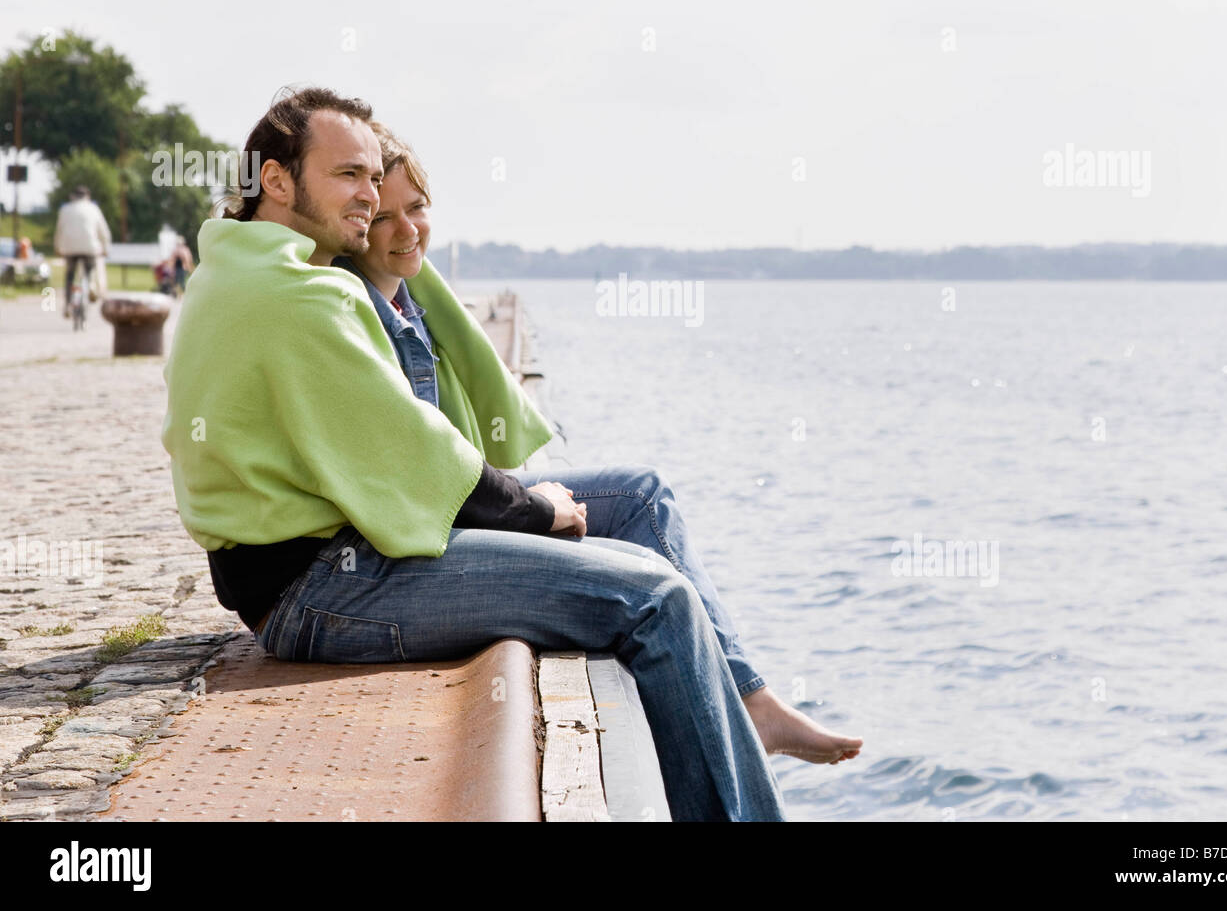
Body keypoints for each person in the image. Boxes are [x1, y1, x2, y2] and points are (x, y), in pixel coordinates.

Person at [161, 89, 823, 821]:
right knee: (656, 599)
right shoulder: (297, 296)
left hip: (313, 568)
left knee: (642, 530)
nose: (369, 195)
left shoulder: (241, 270)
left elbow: (398, 451)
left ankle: (745, 716)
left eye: (374, 178)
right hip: (321, 589)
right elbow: (418, 459)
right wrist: (537, 510)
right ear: (278, 181)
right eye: (349, 175)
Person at [339, 120, 863, 768]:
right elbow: (420, 480)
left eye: (417, 208)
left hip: (449, 496)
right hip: (419, 528)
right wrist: (538, 511)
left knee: (642, 496)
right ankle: (729, 726)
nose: (408, 230)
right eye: (385, 217)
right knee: (646, 586)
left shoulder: (412, 299)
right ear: (356, 228)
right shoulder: (358, 311)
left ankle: (750, 698)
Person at [53, 185, 111, 316]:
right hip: (90, 247)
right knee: (89, 269)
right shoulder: (94, 209)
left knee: (69, 276)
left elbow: (59, 231)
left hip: (69, 248)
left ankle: (68, 305)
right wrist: (106, 249)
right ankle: (90, 286)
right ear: (87, 197)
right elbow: (103, 232)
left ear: (73, 196)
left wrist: (57, 248)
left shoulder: (65, 209)